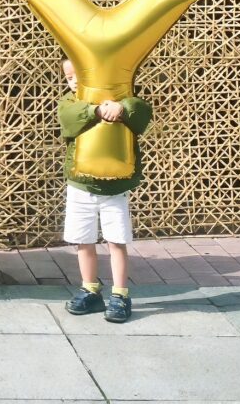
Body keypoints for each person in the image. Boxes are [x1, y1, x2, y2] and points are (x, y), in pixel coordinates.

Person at [59, 58, 152, 324]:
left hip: (115, 188)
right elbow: (68, 118)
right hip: (80, 185)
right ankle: (90, 289)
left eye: (79, 75)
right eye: (69, 77)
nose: (74, 82)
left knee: (116, 240)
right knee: (83, 240)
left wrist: (121, 108)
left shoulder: (123, 97)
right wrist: (96, 111)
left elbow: (141, 113)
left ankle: (120, 294)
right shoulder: (70, 102)